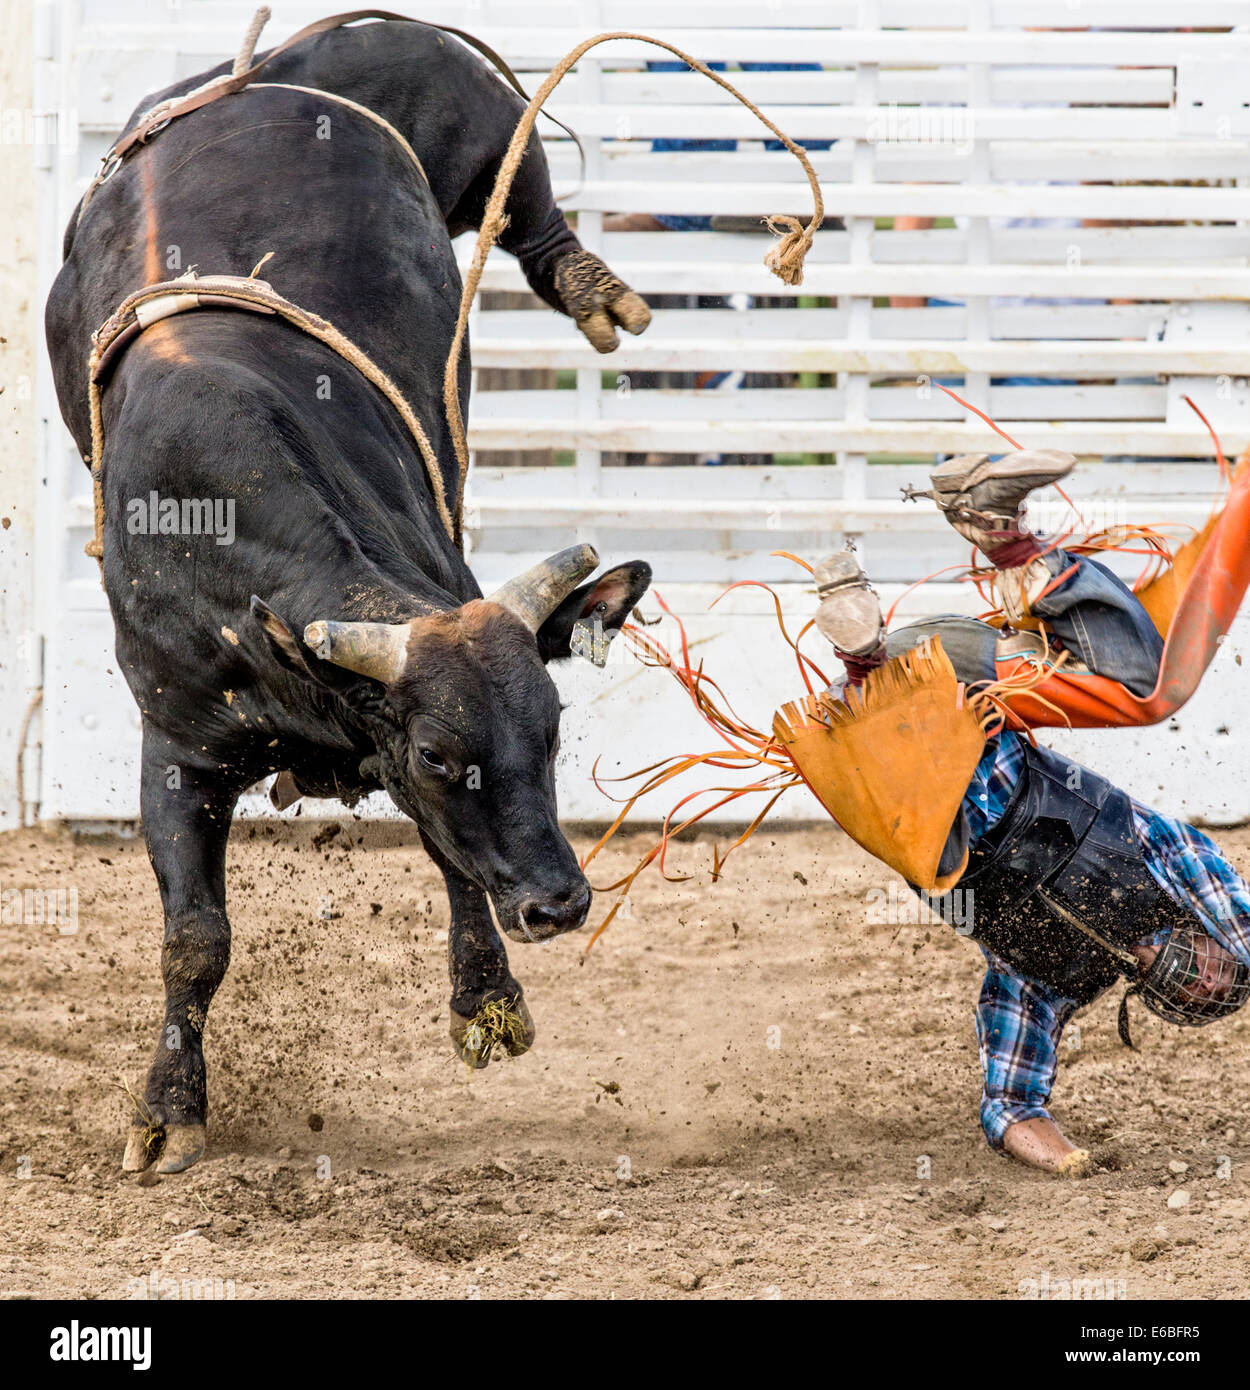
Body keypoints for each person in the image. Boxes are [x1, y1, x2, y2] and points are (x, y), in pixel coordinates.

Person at [811, 450, 1250, 1174]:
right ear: (1213, 942)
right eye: (1222, 975)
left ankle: (874, 658)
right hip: (961, 685)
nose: (1206, 982)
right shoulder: (1171, 863)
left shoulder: (1055, 978)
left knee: (929, 847)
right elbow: (1234, 910)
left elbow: (1011, 1103)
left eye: (1206, 996)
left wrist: (1063, 1157)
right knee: (1150, 681)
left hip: (884, 770)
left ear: (1161, 999)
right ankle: (1001, 540)